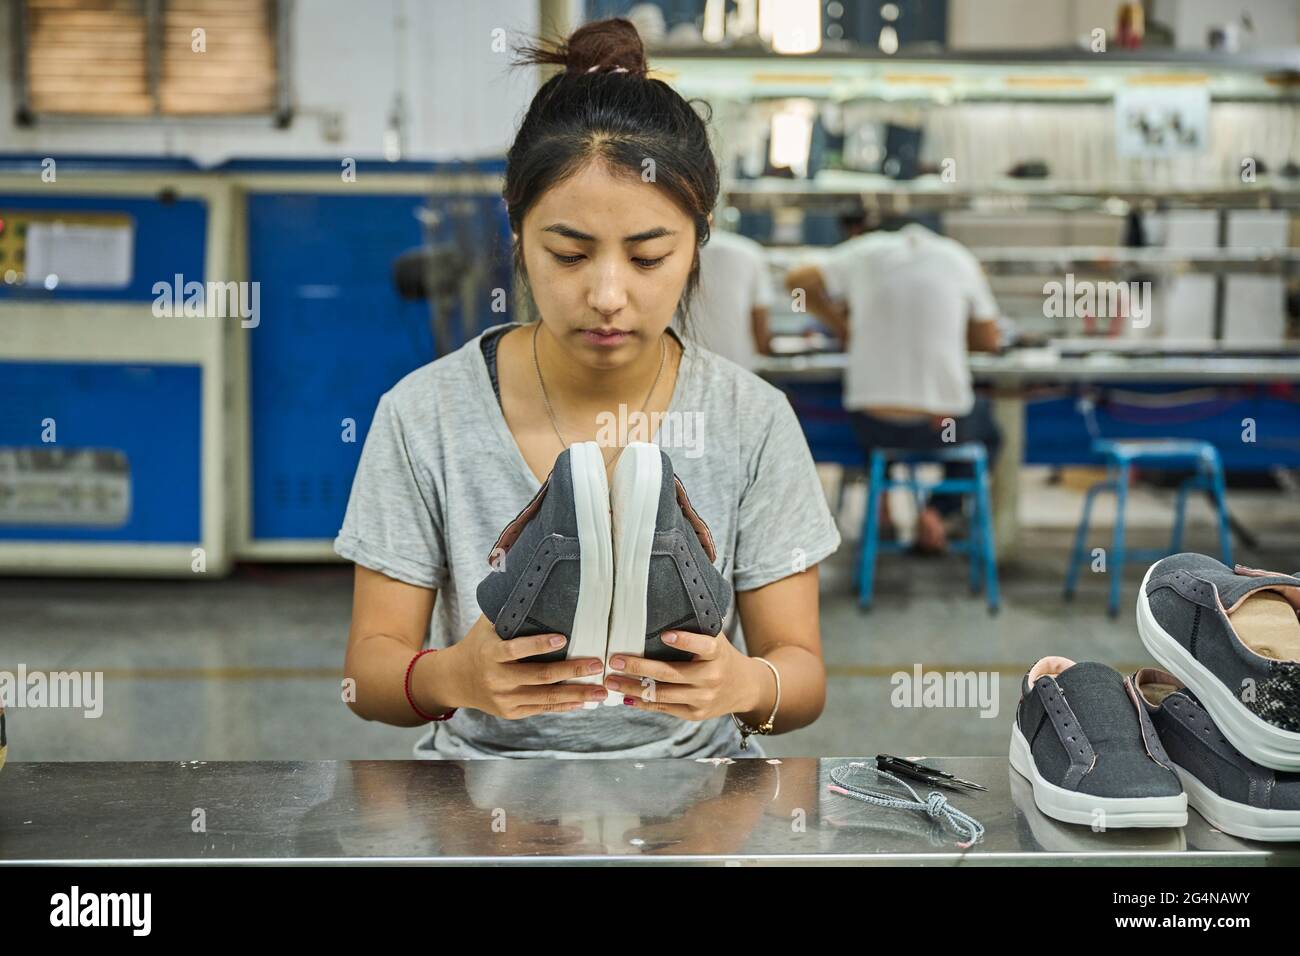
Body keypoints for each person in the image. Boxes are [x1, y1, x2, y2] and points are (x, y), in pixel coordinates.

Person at [335, 18, 840, 760]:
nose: (607, 294)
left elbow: (802, 680)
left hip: (693, 796)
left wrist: (745, 687)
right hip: (484, 798)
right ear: (517, 230)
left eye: (647, 256)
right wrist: (451, 676)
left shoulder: (751, 420)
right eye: (569, 254)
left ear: (697, 242)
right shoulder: (425, 415)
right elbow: (367, 679)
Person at [785, 220, 1002, 553]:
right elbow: (989, 339)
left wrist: (843, 327)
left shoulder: (864, 251)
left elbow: (796, 280)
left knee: (878, 440)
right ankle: (938, 510)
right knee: (988, 433)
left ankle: (882, 513)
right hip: (940, 426)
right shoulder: (957, 258)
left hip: (872, 426)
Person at [689, 228, 775, 370]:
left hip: (682, 369)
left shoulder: (672, 251)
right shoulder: (749, 252)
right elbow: (760, 323)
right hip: (738, 368)